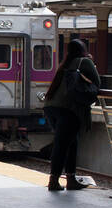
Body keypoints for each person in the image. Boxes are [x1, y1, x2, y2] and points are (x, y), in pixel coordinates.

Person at [42, 38, 101, 191]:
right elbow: (97, 83)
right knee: (62, 145)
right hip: (69, 109)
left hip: (51, 108)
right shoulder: (84, 62)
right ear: (83, 50)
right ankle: (53, 181)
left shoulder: (65, 64)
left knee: (70, 143)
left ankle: (70, 178)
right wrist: (91, 63)